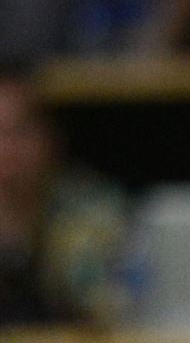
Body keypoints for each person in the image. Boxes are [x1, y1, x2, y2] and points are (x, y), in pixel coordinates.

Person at [0, 66, 127, 325]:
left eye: (21, 131)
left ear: (50, 139)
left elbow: (113, 307)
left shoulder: (93, 209)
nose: (7, 148)